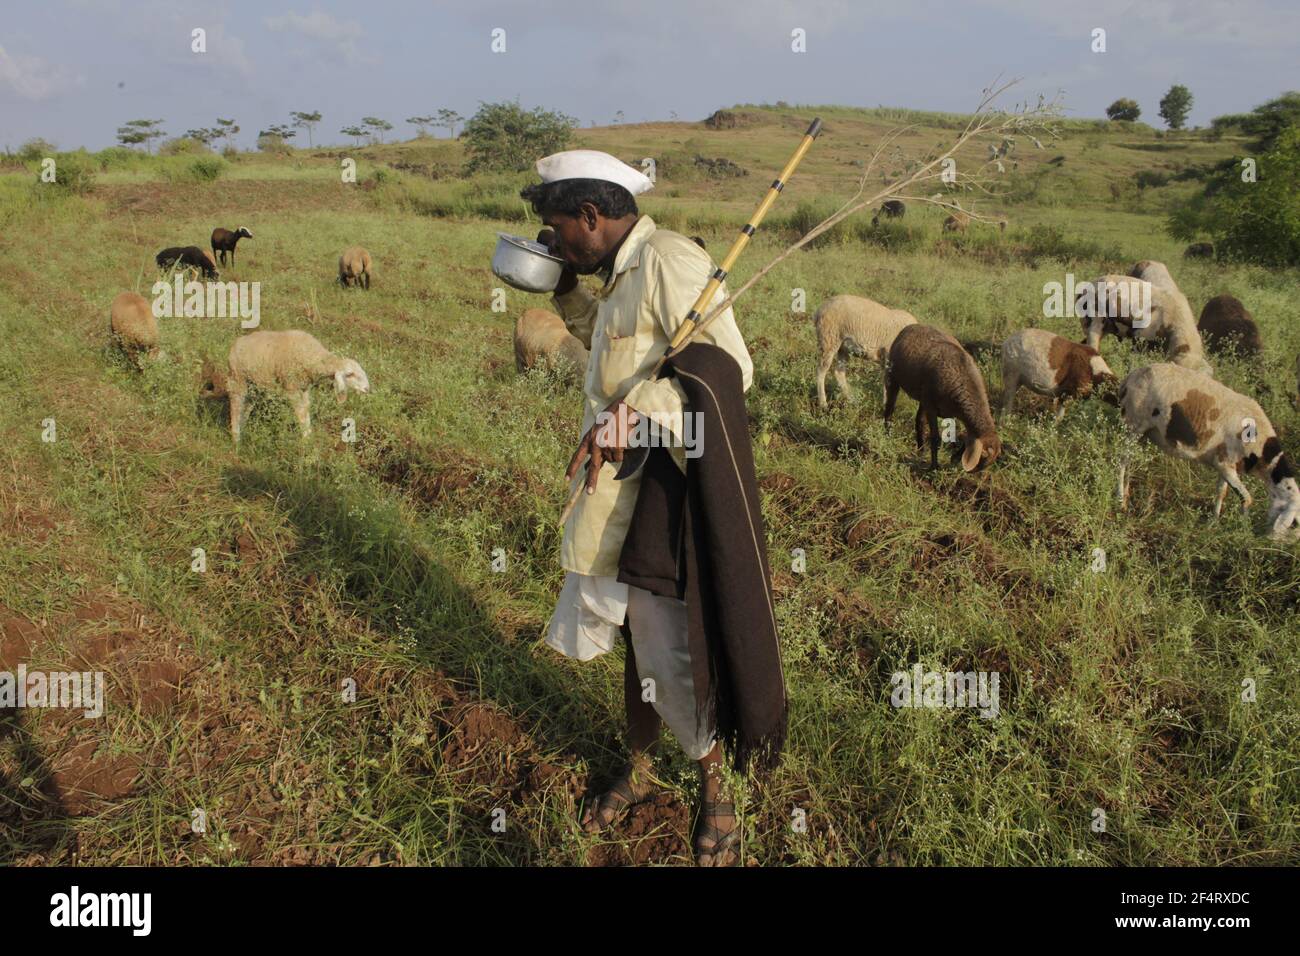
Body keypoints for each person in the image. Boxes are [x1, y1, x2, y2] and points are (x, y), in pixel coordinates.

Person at [522, 149, 754, 865]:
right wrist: (564, 289)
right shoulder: (619, 273)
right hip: (618, 493)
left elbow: (728, 372)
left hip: (668, 490)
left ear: (593, 216)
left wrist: (628, 418)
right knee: (632, 637)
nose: (559, 244)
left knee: (676, 640)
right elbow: (612, 349)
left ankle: (715, 787)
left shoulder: (671, 260)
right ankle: (642, 769)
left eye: (561, 233)